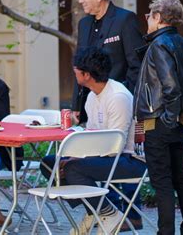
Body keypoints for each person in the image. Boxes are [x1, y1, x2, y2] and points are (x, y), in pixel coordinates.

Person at [41, 47, 147, 235]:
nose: (74, 75)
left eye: (76, 72)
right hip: (106, 155)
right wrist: (75, 153)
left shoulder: (117, 97)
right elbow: (93, 135)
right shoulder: (92, 95)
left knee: (73, 168)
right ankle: (97, 211)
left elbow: (115, 145)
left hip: (129, 160)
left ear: (87, 75)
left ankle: (106, 213)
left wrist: (78, 159)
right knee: (50, 163)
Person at [72, 0, 146, 227]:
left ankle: (131, 215)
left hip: (122, 102)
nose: (80, 0)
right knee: (92, 155)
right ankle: (107, 210)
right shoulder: (84, 25)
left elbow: (137, 65)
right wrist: (75, 107)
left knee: (122, 153)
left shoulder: (125, 20)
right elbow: (80, 66)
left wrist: (126, 98)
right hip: (92, 101)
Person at [134, 0, 183, 235]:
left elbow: (171, 87)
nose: (147, 20)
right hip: (181, 123)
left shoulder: (159, 44)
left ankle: (165, 232)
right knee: (181, 179)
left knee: (162, 182)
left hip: (160, 122)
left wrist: (167, 121)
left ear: (158, 18)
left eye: (149, 15)